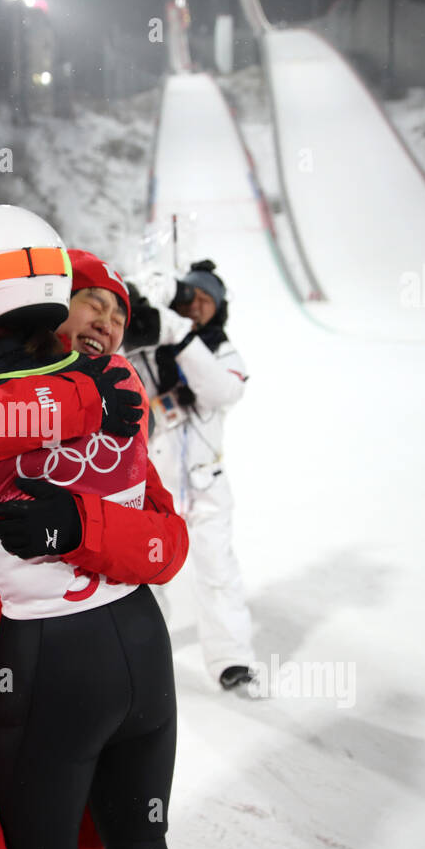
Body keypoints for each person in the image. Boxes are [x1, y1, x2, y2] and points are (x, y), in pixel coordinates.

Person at [0, 206, 180, 849]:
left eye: (118, 315)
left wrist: (79, 525)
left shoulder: (117, 405)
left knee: (96, 841)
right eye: (90, 303)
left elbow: (166, 546)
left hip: (62, 654)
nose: (107, 322)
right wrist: (70, 404)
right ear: (45, 307)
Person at [124, 259, 255, 691]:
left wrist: (178, 335)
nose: (198, 306)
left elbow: (223, 391)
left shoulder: (215, 346)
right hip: (151, 483)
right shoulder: (146, 344)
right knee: (146, 577)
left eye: (207, 300)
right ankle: (146, 666)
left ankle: (231, 660)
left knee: (218, 571)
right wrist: (137, 319)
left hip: (205, 482)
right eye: (191, 296)